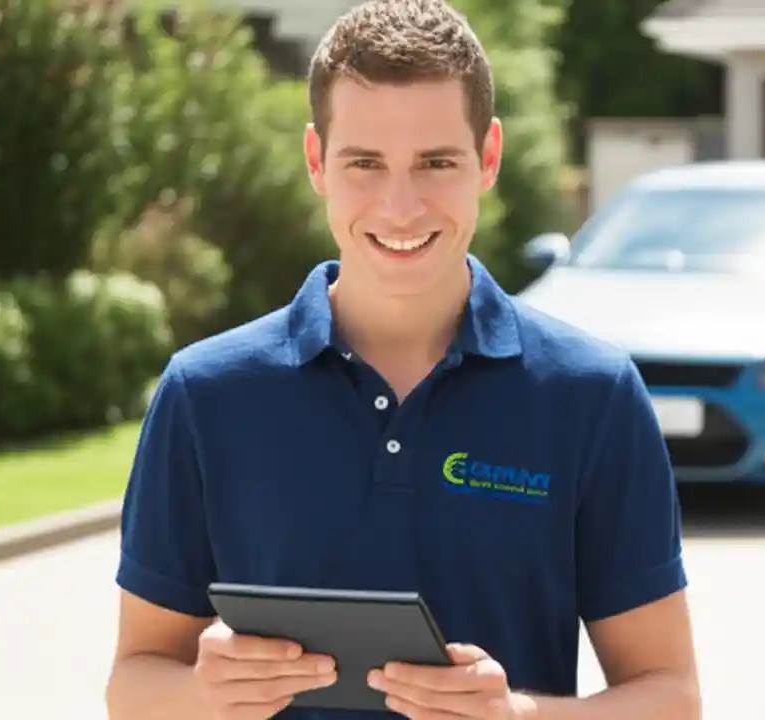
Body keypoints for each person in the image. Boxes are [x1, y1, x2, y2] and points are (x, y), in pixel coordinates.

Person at [104, 1, 699, 718]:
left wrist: (518, 716)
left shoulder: (593, 396)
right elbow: (134, 686)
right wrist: (202, 695)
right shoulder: (204, 395)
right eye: (365, 163)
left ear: (488, 157)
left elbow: (671, 699)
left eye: (435, 162)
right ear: (317, 161)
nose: (400, 207)